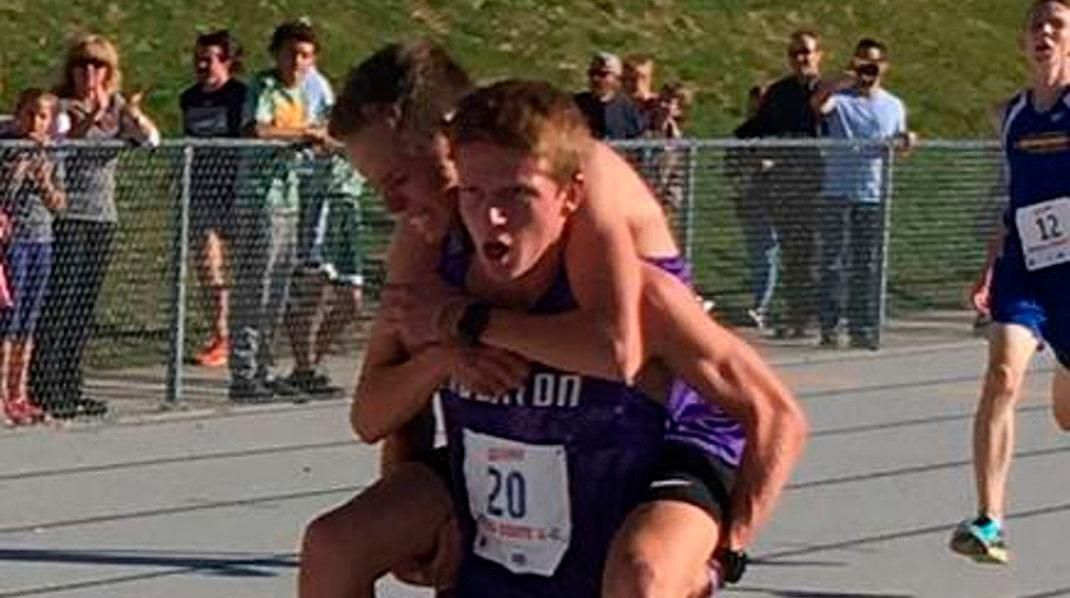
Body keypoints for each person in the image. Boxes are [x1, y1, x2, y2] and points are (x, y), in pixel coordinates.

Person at [299, 43, 806, 598]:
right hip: (522, 427)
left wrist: (465, 321)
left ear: (451, 138)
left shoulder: (577, 181)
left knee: (642, 571)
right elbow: (386, 406)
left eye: (398, 178)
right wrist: (420, 509)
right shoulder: (426, 236)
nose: (392, 206)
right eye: (378, 187)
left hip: (653, 419)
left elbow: (618, 351)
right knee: (335, 544)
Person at [949, 0, 1070, 564]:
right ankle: (989, 519)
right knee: (1001, 375)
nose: (1044, 33)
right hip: (1024, 269)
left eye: (1057, 25)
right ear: (1024, 41)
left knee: (1067, 414)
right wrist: (990, 260)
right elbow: (1008, 197)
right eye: (1035, 26)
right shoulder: (1010, 117)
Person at [30, 34, 159, 420]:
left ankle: (72, 384)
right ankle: (46, 387)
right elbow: (66, 141)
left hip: (102, 214)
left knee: (84, 305)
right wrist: (91, 116)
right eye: (83, 65)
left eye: (98, 66)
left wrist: (131, 115)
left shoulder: (115, 107)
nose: (90, 73)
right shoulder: (61, 106)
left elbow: (150, 140)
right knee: (59, 302)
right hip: (68, 215)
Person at [228, 20, 326, 402]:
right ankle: (244, 370)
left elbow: (318, 132)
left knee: (279, 286)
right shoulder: (265, 87)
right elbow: (258, 128)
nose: (297, 62)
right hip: (260, 198)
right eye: (291, 54)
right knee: (255, 284)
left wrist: (317, 139)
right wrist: (301, 136)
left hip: (290, 196)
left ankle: (266, 366)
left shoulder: (302, 93)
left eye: (304, 56)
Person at [811, 37, 913, 350]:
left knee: (867, 263)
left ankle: (863, 327)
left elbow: (898, 146)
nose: (869, 68)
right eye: (862, 61)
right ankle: (829, 326)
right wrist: (846, 77)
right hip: (838, 191)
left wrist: (906, 141)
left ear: (884, 66)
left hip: (873, 193)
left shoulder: (894, 105)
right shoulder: (840, 99)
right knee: (833, 260)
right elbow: (818, 104)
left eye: (874, 62)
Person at [735, 30, 825, 338]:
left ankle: (822, 316)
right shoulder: (779, 92)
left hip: (819, 184)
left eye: (807, 52)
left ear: (819, 55)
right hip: (785, 185)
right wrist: (737, 142)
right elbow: (760, 128)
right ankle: (797, 316)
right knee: (792, 253)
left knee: (816, 252)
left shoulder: (828, 92)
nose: (802, 59)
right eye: (795, 53)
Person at [179, 29, 248, 368]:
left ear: (227, 62)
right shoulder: (189, 98)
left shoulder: (240, 95)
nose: (202, 65)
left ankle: (248, 332)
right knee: (208, 265)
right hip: (203, 191)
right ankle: (221, 335)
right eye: (198, 59)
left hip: (238, 190)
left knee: (246, 267)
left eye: (210, 59)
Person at [0, 89, 65, 426]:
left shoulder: (52, 152)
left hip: (42, 238)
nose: (35, 122)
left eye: (42, 116)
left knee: (28, 319)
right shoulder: (7, 147)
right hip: (12, 241)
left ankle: (18, 392)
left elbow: (60, 204)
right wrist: (19, 168)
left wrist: (43, 181)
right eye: (29, 114)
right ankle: (1, 396)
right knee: (7, 320)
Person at [728, 85, 779, 330]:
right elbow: (731, 168)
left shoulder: (779, 131)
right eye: (754, 103)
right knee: (761, 253)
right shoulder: (742, 133)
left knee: (772, 252)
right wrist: (748, 169)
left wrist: (774, 166)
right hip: (752, 200)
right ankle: (760, 305)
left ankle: (769, 305)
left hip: (779, 199)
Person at [573, 52, 645, 140]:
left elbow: (638, 141)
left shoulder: (627, 107)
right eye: (592, 73)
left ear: (617, 78)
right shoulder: (577, 104)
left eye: (602, 74)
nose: (596, 79)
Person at [623, 54, 659, 129]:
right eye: (632, 79)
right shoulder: (614, 106)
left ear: (651, 79)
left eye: (643, 78)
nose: (637, 85)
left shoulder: (659, 106)